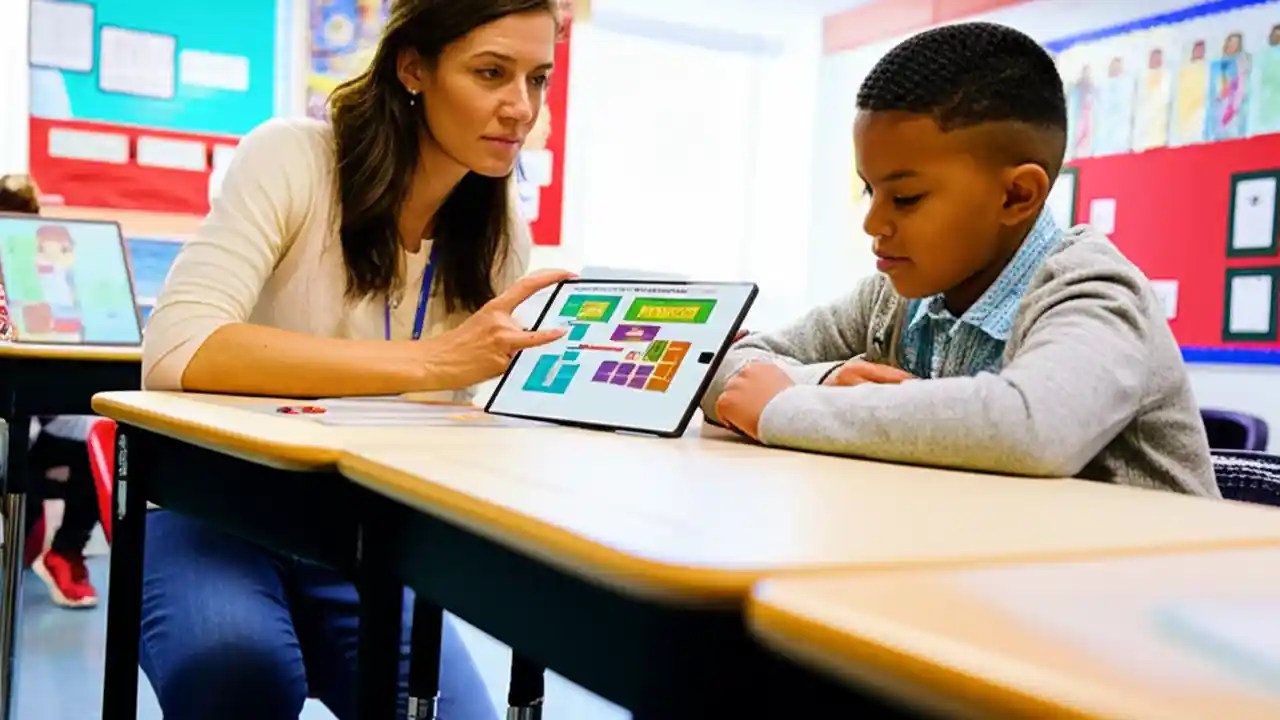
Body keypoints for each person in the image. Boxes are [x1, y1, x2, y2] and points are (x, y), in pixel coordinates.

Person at [139, 1, 569, 717]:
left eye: (539, 79)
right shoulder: (293, 158)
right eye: (491, 73)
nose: (520, 107)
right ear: (413, 69)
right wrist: (429, 363)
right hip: (217, 511)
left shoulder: (495, 233)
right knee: (240, 673)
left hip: (364, 539)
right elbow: (180, 347)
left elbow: (462, 419)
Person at [702, 22, 1218, 498]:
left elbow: (1033, 426)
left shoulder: (1094, 290)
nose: (872, 222)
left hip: (1144, 588)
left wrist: (787, 407)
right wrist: (825, 379)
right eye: (869, 190)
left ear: (1017, 196)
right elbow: (717, 368)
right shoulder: (893, 299)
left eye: (905, 199)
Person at [0, 173, 103, 608]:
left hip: (40, 416)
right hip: (12, 423)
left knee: (108, 440)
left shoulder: (49, 283)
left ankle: (65, 552)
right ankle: (32, 520)